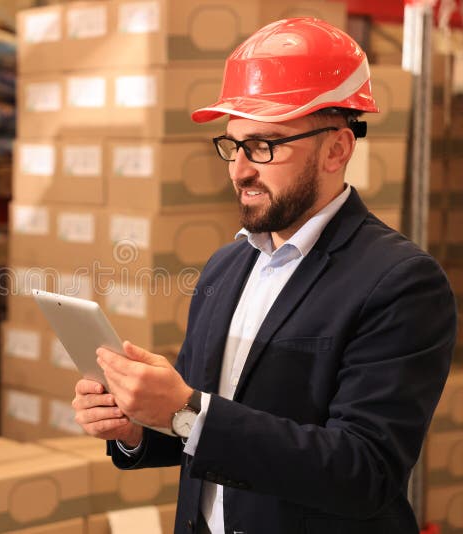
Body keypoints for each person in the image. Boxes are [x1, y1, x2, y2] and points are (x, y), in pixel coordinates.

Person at [72, 17, 457, 534]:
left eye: (264, 145)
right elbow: (201, 429)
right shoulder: (225, 267)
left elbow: (365, 471)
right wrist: (138, 424)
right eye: (234, 145)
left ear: (337, 149)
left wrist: (185, 408)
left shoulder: (400, 282)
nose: (239, 170)